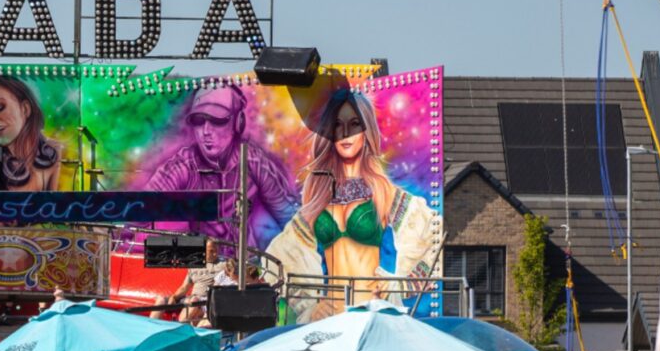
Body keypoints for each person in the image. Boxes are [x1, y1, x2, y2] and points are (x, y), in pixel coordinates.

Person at [265, 84, 440, 312]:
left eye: (355, 124)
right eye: (338, 125)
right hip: (332, 314)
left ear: (367, 131)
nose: (345, 133)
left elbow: (431, 236)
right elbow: (281, 254)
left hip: (372, 309)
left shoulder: (381, 190)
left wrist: (400, 284)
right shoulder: (320, 192)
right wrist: (312, 306)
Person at [136, 84, 299, 253]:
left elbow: (290, 218)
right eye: (199, 121)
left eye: (217, 120)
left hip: (246, 264)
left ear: (238, 123)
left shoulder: (254, 163)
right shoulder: (182, 167)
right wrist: (189, 253)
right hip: (201, 263)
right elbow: (133, 219)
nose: (206, 131)